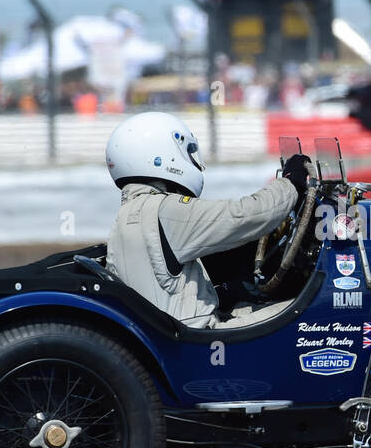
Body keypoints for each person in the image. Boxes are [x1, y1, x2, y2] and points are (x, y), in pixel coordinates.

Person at [105, 112, 311, 328]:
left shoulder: (128, 215)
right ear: (161, 154)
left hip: (171, 329)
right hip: (197, 333)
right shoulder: (164, 210)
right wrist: (291, 182)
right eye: (188, 152)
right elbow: (246, 214)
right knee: (314, 313)